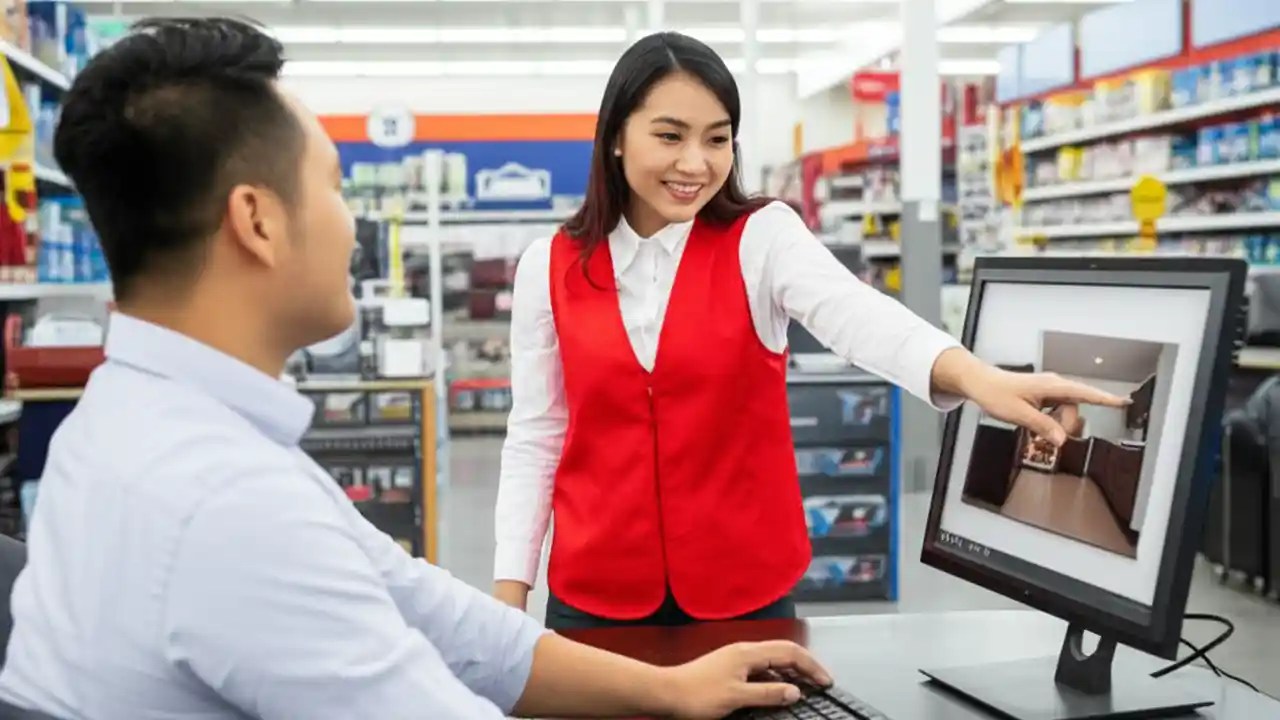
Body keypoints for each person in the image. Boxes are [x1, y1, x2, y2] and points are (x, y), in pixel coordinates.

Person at [0, 18, 833, 720]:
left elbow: (424, 606)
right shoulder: (228, 505)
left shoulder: (127, 424)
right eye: (332, 186)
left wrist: (665, 691)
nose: (354, 227)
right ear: (255, 222)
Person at [491, 31, 1128, 629]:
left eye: (718, 139)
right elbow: (537, 435)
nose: (695, 163)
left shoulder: (759, 238)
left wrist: (975, 376)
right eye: (670, 135)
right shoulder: (550, 267)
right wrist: (508, 596)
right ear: (616, 138)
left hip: (743, 598)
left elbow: (858, 317)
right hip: (596, 597)